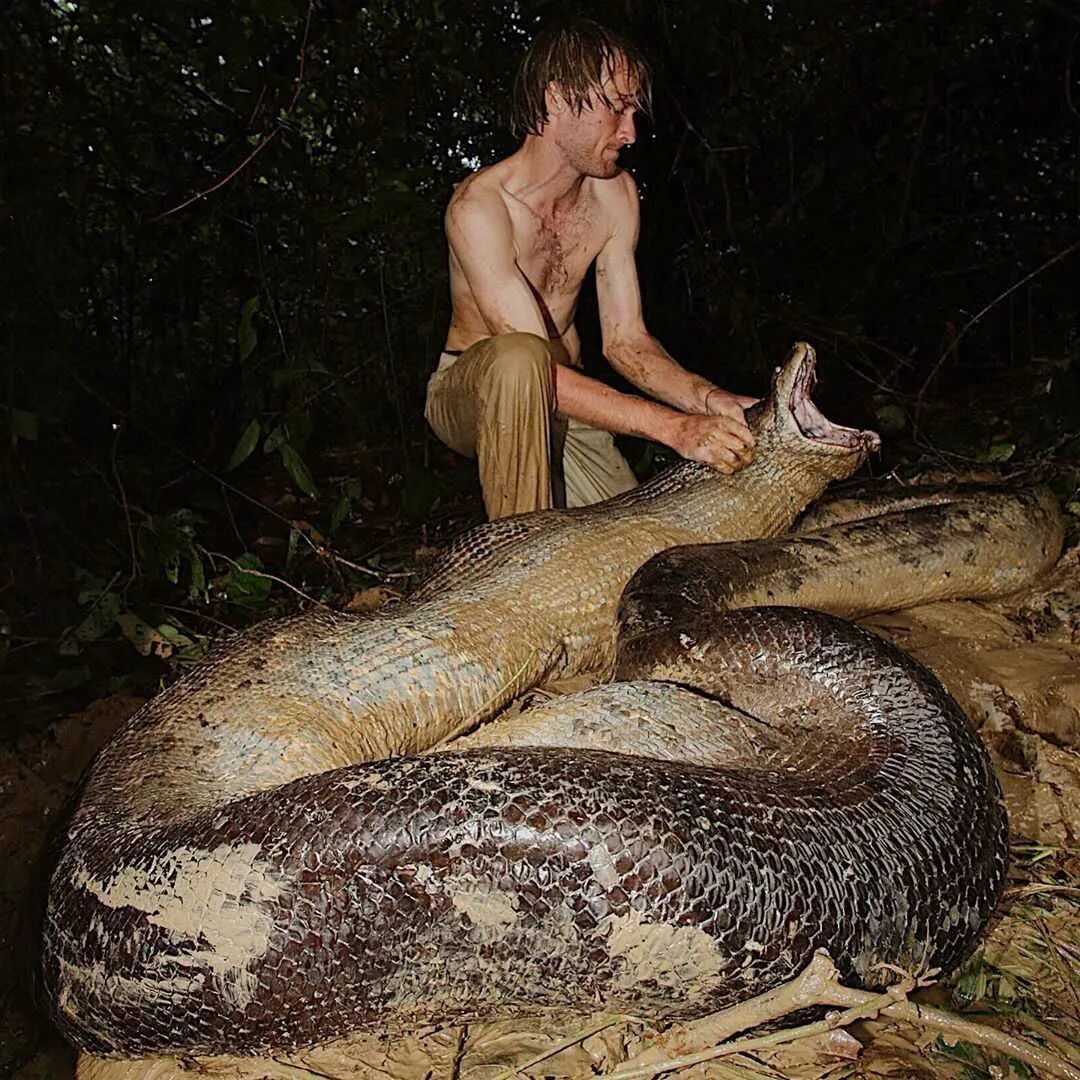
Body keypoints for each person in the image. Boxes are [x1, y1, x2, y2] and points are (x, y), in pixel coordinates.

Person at [424, 18, 756, 521]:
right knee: (520, 359)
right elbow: (534, 372)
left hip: (569, 397)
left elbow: (627, 341)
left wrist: (709, 400)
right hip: (476, 391)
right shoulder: (480, 208)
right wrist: (673, 429)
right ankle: (521, 565)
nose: (630, 132)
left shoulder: (614, 194)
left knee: (640, 538)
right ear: (557, 99)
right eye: (617, 108)